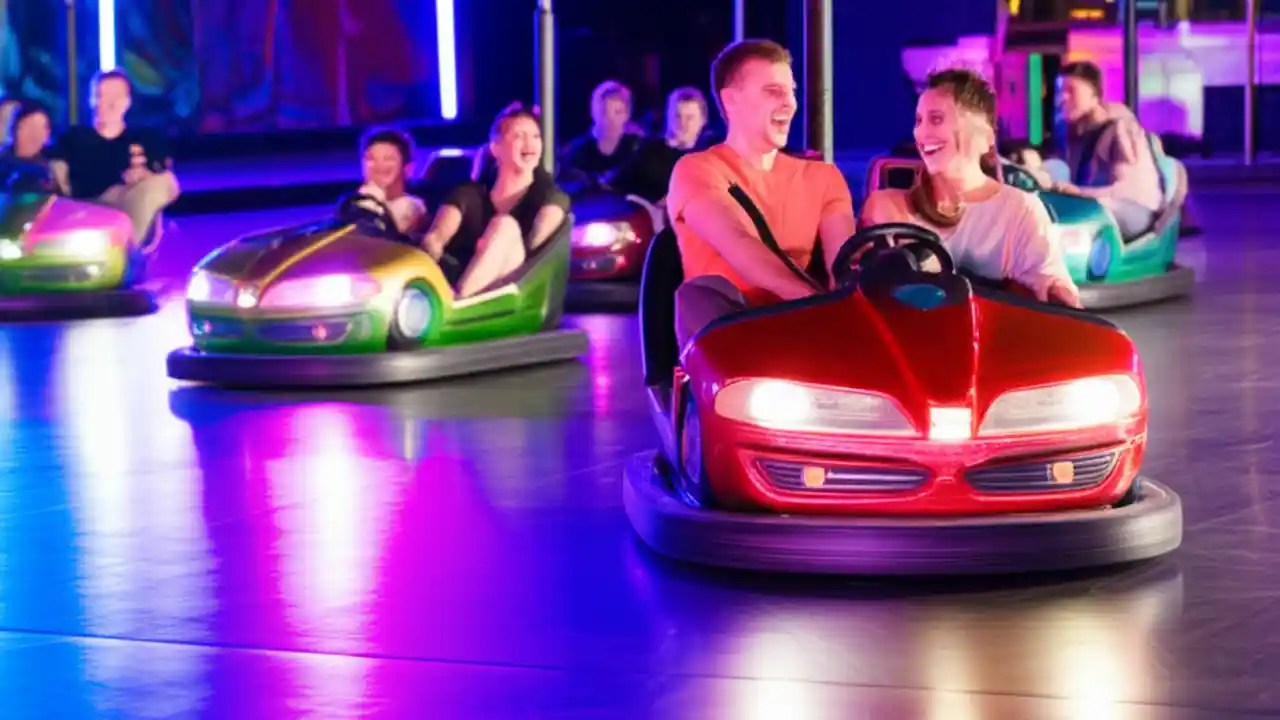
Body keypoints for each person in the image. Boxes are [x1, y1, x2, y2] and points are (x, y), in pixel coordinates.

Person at [667, 39, 857, 347]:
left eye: (791, 91)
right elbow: (741, 244)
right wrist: (818, 305)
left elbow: (845, 263)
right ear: (731, 101)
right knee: (702, 292)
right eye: (773, 91)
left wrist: (846, 308)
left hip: (802, 329)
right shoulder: (697, 170)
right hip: (733, 331)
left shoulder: (823, 178)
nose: (790, 103)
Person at [861, 67, 1081, 308]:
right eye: (919, 121)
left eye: (936, 119)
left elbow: (1049, 280)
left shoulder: (1019, 210)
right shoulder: (887, 208)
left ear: (984, 137)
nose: (922, 133)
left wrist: (1059, 294)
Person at [420, 103, 570, 298]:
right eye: (519, 136)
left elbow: (536, 254)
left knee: (504, 226)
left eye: (535, 136)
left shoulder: (549, 198)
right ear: (496, 148)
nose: (530, 143)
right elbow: (434, 239)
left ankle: (461, 301)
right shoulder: (468, 194)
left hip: (517, 284)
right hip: (454, 281)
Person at [46, 69, 180, 245]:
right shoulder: (74, 136)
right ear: (91, 99)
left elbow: (166, 175)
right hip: (89, 204)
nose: (105, 103)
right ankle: (124, 252)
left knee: (161, 183)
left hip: (132, 201)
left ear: (127, 102)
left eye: (114, 97)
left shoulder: (144, 136)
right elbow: (56, 173)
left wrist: (145, 175)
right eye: (99, 95)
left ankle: (129, 248)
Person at [1053, 61, 1164, 239]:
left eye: (1071, 90)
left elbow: (1128, 190)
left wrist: (1080, 193)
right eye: (1060, 91)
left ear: (1095, 95)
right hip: (1098, 204)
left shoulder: (1121, 130)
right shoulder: (1075, 134)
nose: (1062, 98)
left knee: (1077, 225)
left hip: (1135, 208)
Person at [609, 87, 710, 205]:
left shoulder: (710, 157)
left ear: (702, 120)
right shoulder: (649, 152)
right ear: (668, 117)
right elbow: (617, 184)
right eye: (677, 116)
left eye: (689, 118)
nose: (683, 123)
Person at [559, 80, 645, 186]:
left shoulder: (637, 150)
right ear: (593, 113)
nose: (610, 119)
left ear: (627, 115)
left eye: (617, 112)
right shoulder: (575, 154)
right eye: (604, 112)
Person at [352, 127, 427, 236]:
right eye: (371, 159)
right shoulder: (352, 205)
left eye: (388, 159)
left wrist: (373, 201)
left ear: (408, 168)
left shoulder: (414, 208)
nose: (379, 166)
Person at [0, 101, 54, 192]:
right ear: (14, 130)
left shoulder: (49, 168)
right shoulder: (4, 166)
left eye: (40, 129)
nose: (34, 135)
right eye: (29, 127)